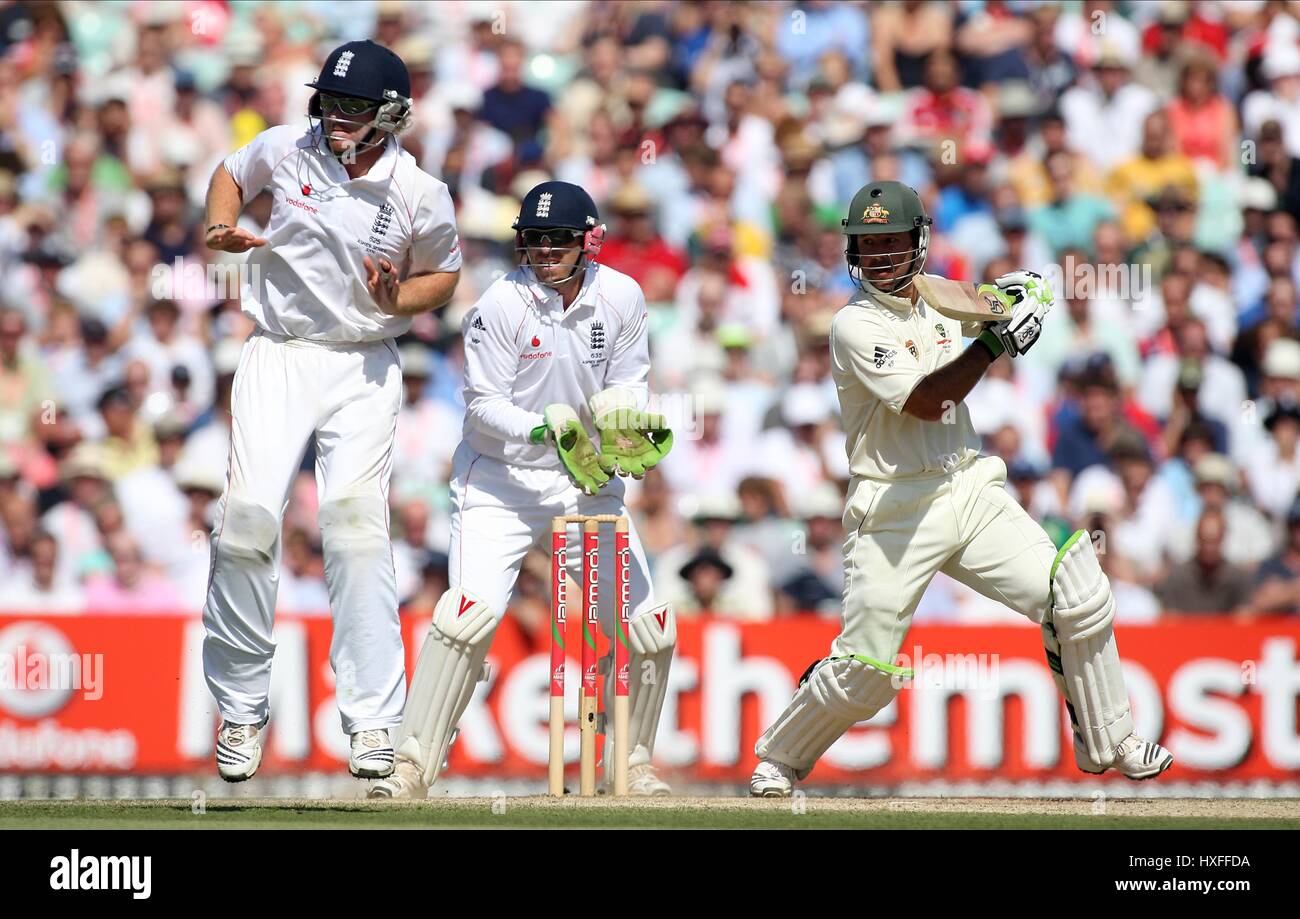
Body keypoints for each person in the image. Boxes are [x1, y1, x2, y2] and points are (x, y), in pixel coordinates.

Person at [749, 181, 1173, 797]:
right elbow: (927, 401)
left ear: (920, 243)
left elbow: (984, 299)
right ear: (853, 253)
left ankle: (1110, 739)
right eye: (870, 246)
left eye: (894, 242)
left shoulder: (936, 295)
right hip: (893, 506)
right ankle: (781, 757)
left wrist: (1021, 293)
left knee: (1076, 593)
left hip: (967, 485)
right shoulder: (853, 325)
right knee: (865, 671)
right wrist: (996, 342)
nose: (884, 256)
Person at [200, 40, 462, 783]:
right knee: (246, 519)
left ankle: (374, 718)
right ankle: (242, 706)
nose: (335, 117)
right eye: (329, 101)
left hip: (361, 361)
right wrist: (222, 228)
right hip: (278, 350)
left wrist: (396, 299)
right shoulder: (289, 147)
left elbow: (442, 273)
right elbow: (229, 173)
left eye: (353, 106)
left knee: (353, 527)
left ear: (391, 115)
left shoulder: (419, 192)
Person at [368, 181, 676, 799]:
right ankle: (412, 764)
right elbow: (482, 408)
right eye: (534, 241)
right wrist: (544, 428)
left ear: (589, 241)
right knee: (466, 617)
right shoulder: (498, 305)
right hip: (500, 481)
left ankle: (633, 763)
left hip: (587, 478)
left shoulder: (623, 295)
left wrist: (628, 421)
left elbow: (633, 383)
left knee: (650, 628)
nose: (544, 251)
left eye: (558, 240)